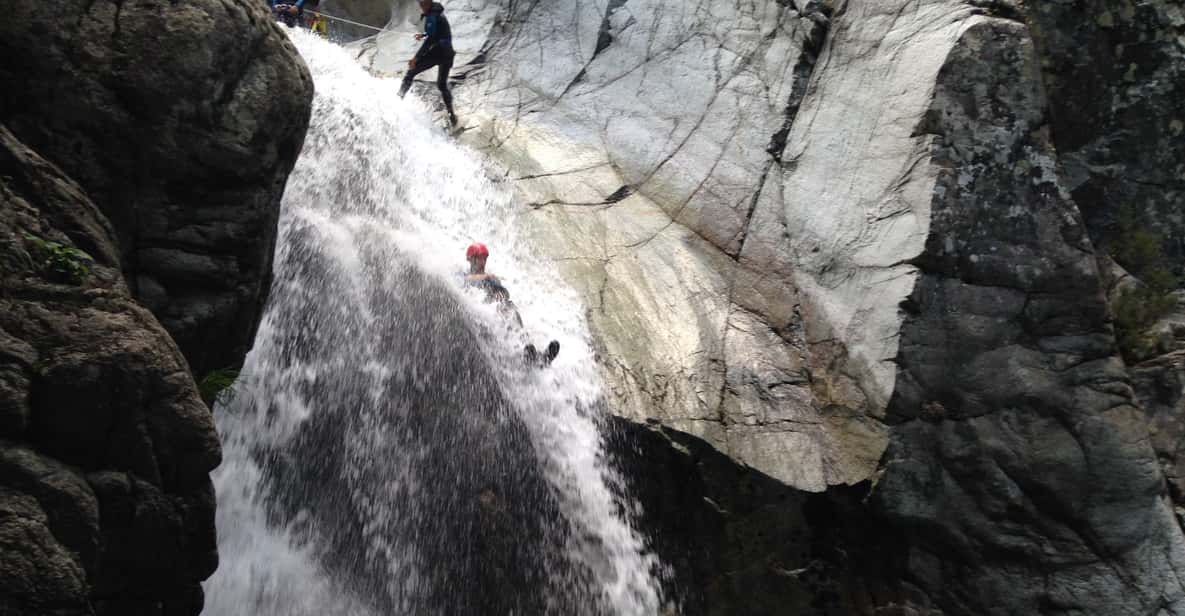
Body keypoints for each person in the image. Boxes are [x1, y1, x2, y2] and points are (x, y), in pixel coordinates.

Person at [463, 243, 559, 367]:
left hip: (496, 311)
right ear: (471, 259)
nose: (483, 262)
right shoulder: (466, 276)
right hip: (482, 314)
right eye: (480, 258)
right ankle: (526, 354)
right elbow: (465, 282)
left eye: (485, 258)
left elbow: (503, 292)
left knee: (510, 308)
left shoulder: (491, 277)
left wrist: (499, 292)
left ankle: (533, 354)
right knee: (505, 309)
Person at [398, 1, 459, 128]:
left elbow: (430, 41)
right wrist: (424, 34)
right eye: (420, 4)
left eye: (423, 4)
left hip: (438, 53)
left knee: (411, 72)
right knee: (442, 85)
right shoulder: (437, 13)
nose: (421, 7)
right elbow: (436, 33)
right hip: (448, 54)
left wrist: (416, 58)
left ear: (428, 3)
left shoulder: (432, 16)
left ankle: (397, 101)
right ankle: (452, 116)